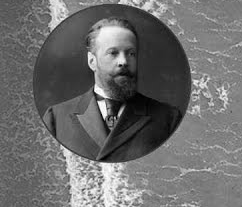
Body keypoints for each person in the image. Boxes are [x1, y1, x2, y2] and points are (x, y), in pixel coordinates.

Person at [42, 17, 182, 162]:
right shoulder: (56, 118)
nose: (124, 61)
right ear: (92, 61)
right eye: (113, 53)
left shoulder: (168, 119)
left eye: (131, 53)